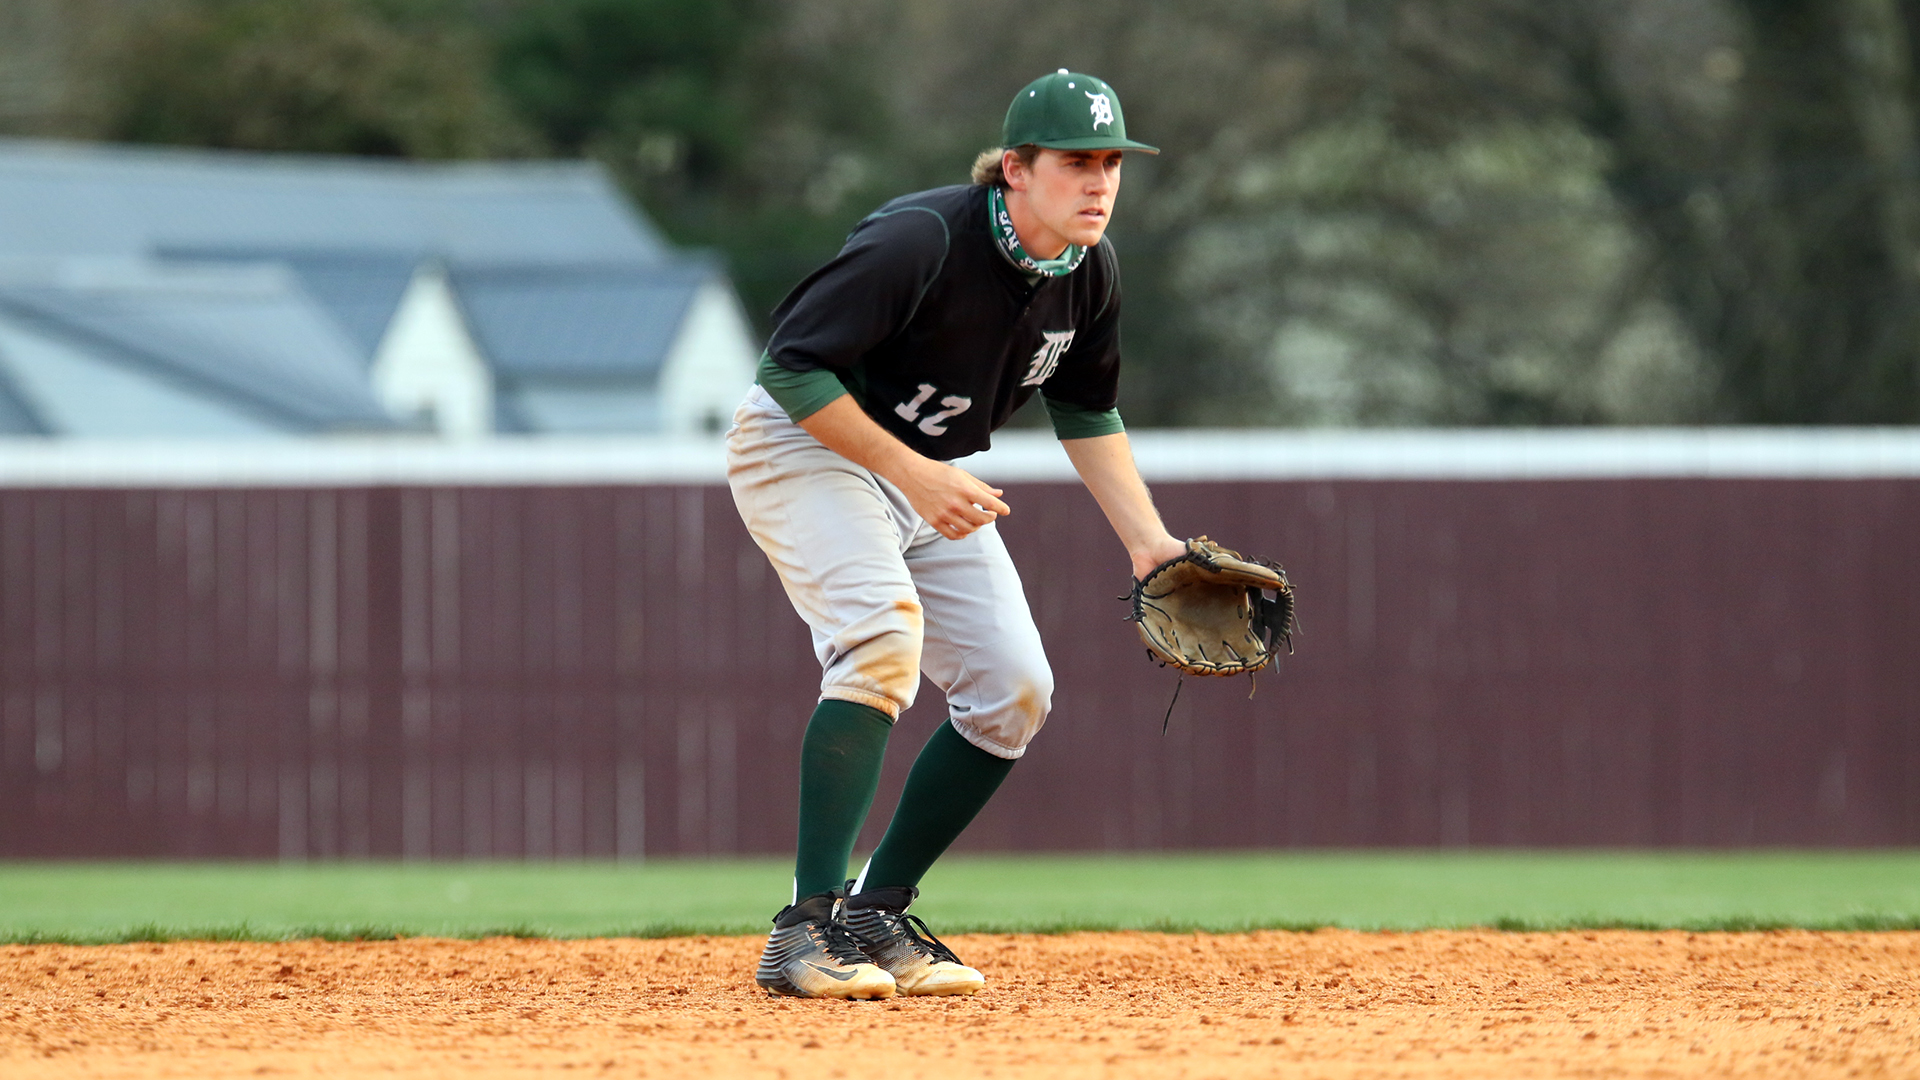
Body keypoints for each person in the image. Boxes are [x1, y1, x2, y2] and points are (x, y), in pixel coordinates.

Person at [726, 69, 1188, 1000]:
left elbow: (1085, 410)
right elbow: (792, 369)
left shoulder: (1087, 271)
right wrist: (915, 474)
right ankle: (803, 929)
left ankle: (876, 910)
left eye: (1110, 163)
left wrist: (1151, 543)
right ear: (1015, 168)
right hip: (805, 443)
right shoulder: (922, 239)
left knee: (1015, 690)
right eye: (1076, 163)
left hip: (924, 471)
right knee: (879, 642)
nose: (1099, 182)